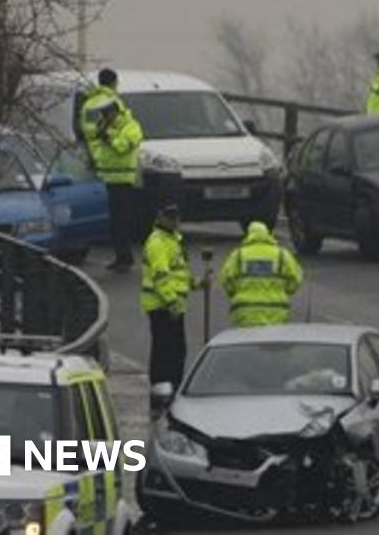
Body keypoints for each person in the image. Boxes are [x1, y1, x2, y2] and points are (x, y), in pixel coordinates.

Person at [82, 69, 143, 272]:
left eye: (108, 113)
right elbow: (98, 139)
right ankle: (121, 257)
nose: (105, 116)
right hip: (105, 174)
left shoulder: (130, 126)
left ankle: (124, 257)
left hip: (123, 177)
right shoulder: (106, 107)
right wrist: (104, 136)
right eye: (104, 114)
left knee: (121, 220)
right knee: (113, 221)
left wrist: (107, 136)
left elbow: (122, 146)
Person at [141, 204, 206, 389]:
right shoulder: (158, 243)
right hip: (162, 306)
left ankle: (171, 387)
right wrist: (172, 303)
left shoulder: (172, 241)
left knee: (175, 351)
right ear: (160, 218)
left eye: (176, 218)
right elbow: (161, 276)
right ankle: (162, 390)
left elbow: (178, 276)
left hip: (171, 304)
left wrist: (197, 283)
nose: (174, 221)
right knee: (166, 351)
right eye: (169, 217)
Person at [218, 221, 303, 327]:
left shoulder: (238, 255)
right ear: (268, 234)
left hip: (245, 310)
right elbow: (296, 278)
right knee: (272, 340)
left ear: (249, 235)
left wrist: (236, 292)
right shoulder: (281, 254)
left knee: (248, 340)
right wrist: (284, 291)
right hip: (276, 311)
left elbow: (226, 280)